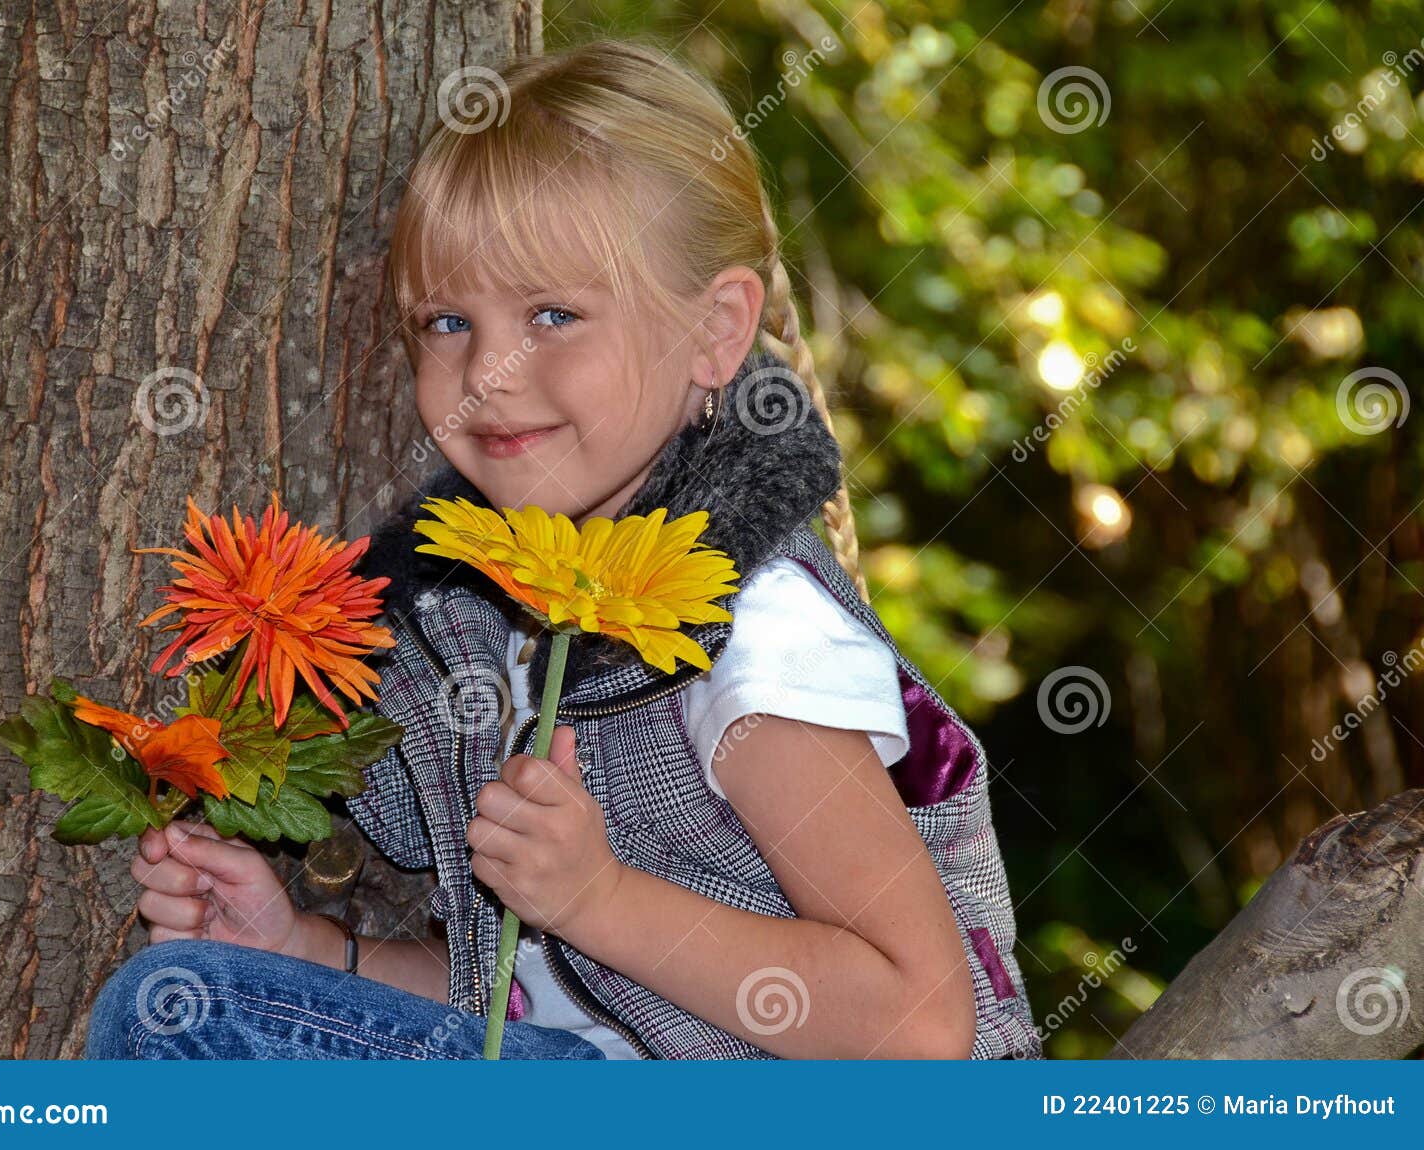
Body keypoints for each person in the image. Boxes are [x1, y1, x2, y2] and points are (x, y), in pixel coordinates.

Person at [87, 35, 1041, 1061]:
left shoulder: (754, 642)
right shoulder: (489, 627)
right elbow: (546, 1010)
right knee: (204, 997)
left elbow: (922, 1023)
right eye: (447, 321)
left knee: (174, 1009)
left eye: (553, 314)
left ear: (717, 331)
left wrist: (599, 897)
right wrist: (315, 953)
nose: (490, 371)